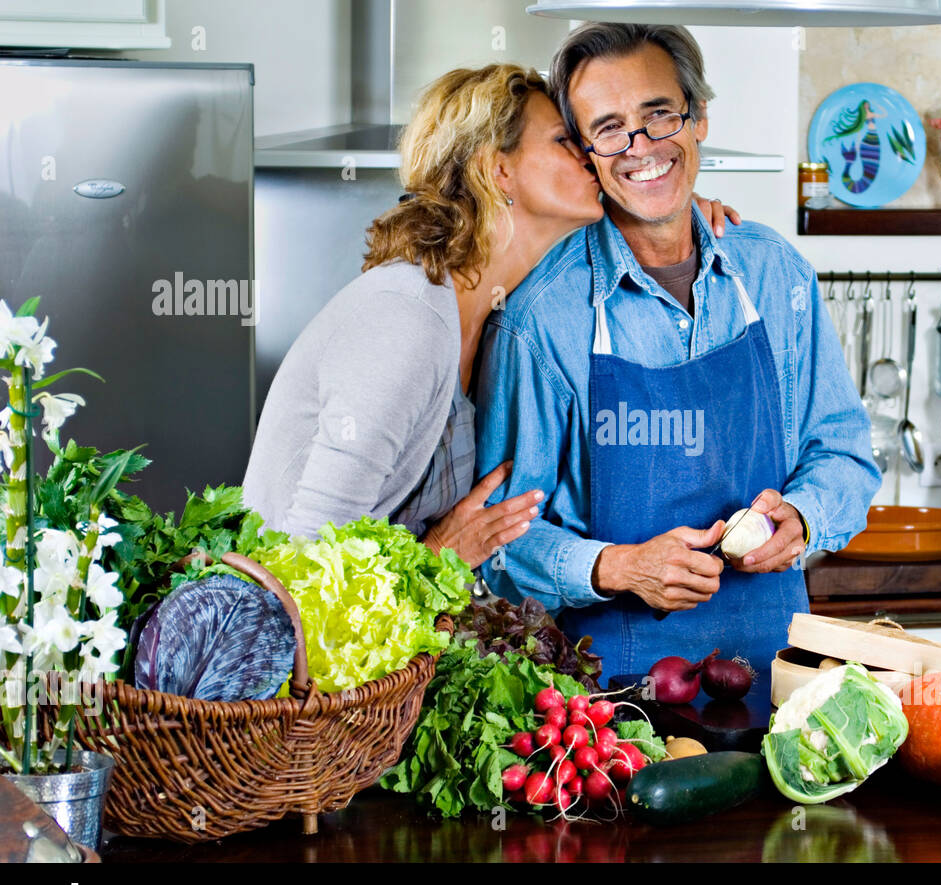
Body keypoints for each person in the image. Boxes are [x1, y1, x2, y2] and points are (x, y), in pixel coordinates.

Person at [474, 24, 879, 674]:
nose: (641, 148)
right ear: (587, 154)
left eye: (659, 115)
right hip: (609, 717)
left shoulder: (777, 277)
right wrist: (617, 566)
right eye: (609, 128)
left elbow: (843, 452)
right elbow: (498, 542)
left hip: (780, 685)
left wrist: (804, 514)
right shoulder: (542, 320)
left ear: (699, 120)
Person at [242, 63, 737, 568]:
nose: (591, 155)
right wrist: (438, 556)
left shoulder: (494, 314)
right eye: (565, 141)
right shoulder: (406, 319)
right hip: (294, 641)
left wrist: (677, 208)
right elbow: (304, 557)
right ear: (498, 171)